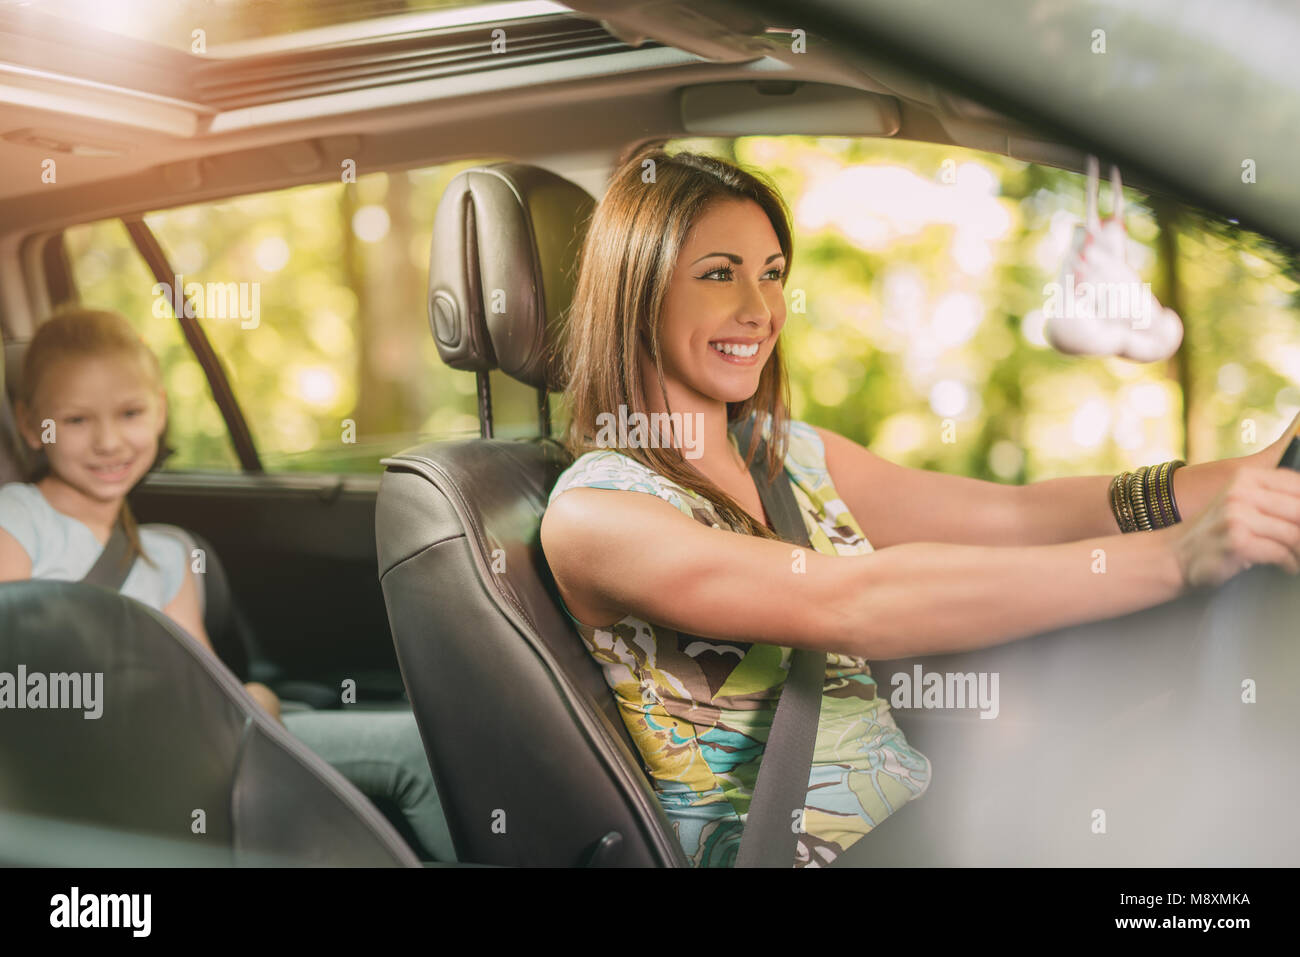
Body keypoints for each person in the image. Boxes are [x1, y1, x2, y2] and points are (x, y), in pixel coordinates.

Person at [539, 147, 1300, 868]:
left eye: (772, 274)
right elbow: (856, 602)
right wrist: (1177, 559)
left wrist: (1263, 470)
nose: (759, 308)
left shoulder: (788, 455)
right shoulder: (597, 515)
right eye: (718, 274)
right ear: (637, 291)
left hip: (923, 815)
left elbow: (1021, 519)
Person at [0, 307, 454, 863]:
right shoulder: (16, 521)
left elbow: (206, 688)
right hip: (86, 771)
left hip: (191, 749)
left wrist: (252, 699)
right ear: (29, 424)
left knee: (422, 746)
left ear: (160, 410)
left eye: (130, 413)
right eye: (75, 421)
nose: (109, 441)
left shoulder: (168, 556)